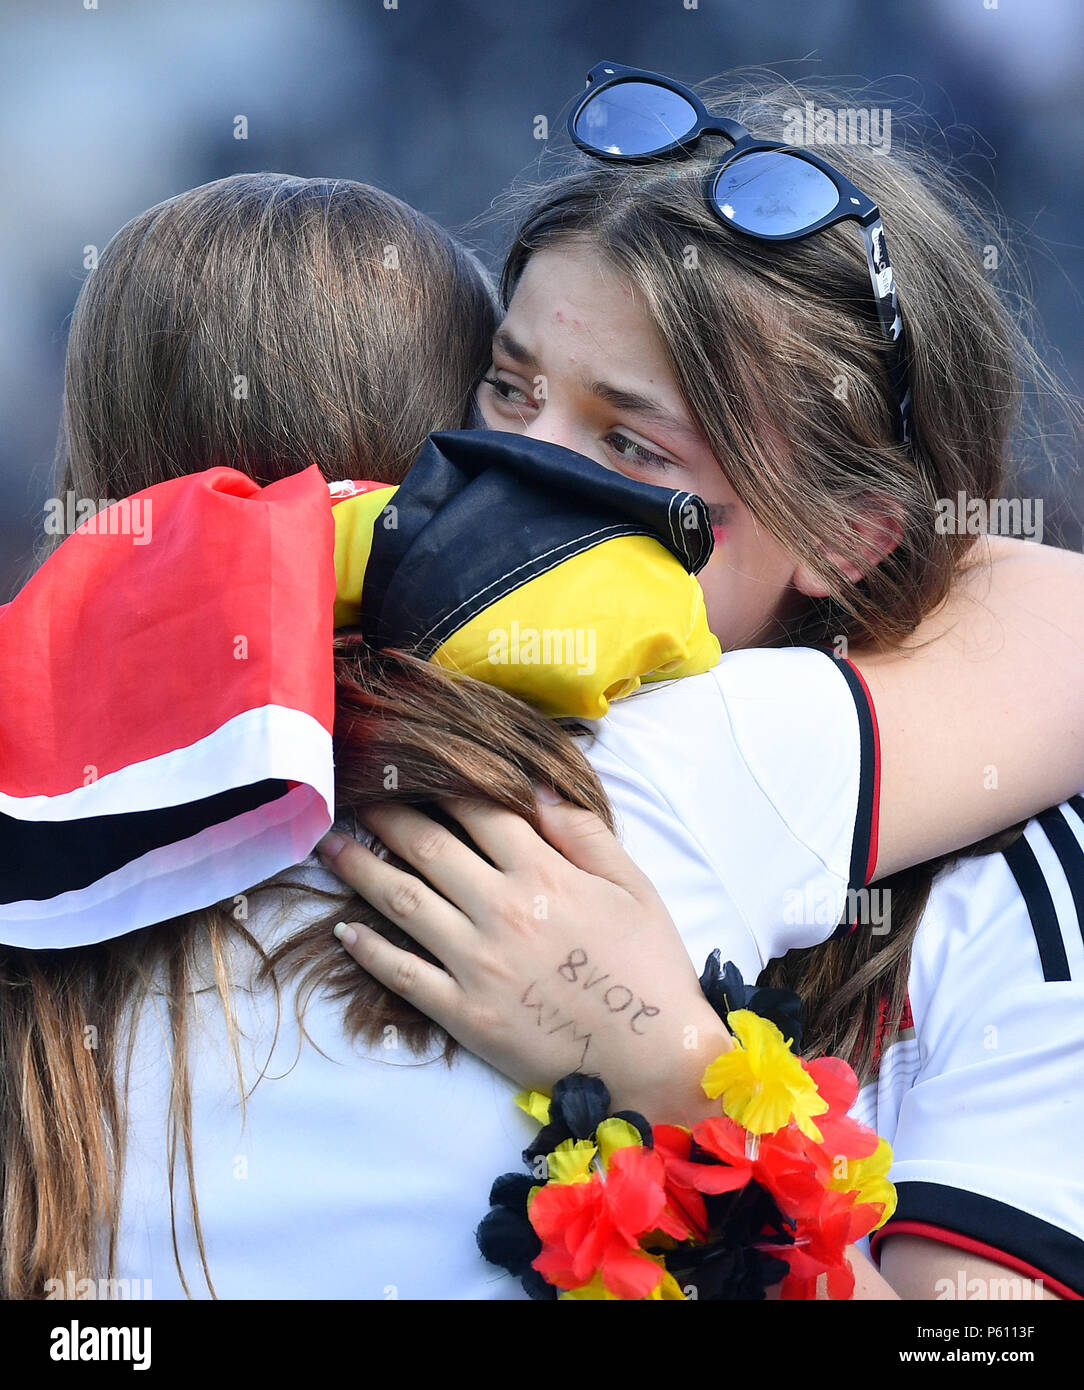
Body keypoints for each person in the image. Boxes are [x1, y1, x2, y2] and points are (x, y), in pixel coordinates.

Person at [2, 69, 1079, 1300]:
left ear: (852, 534)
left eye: (629, 442)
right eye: (506, 391)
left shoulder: (987, 873)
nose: (515, 472)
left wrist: (670, 1066)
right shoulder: (374, 729)